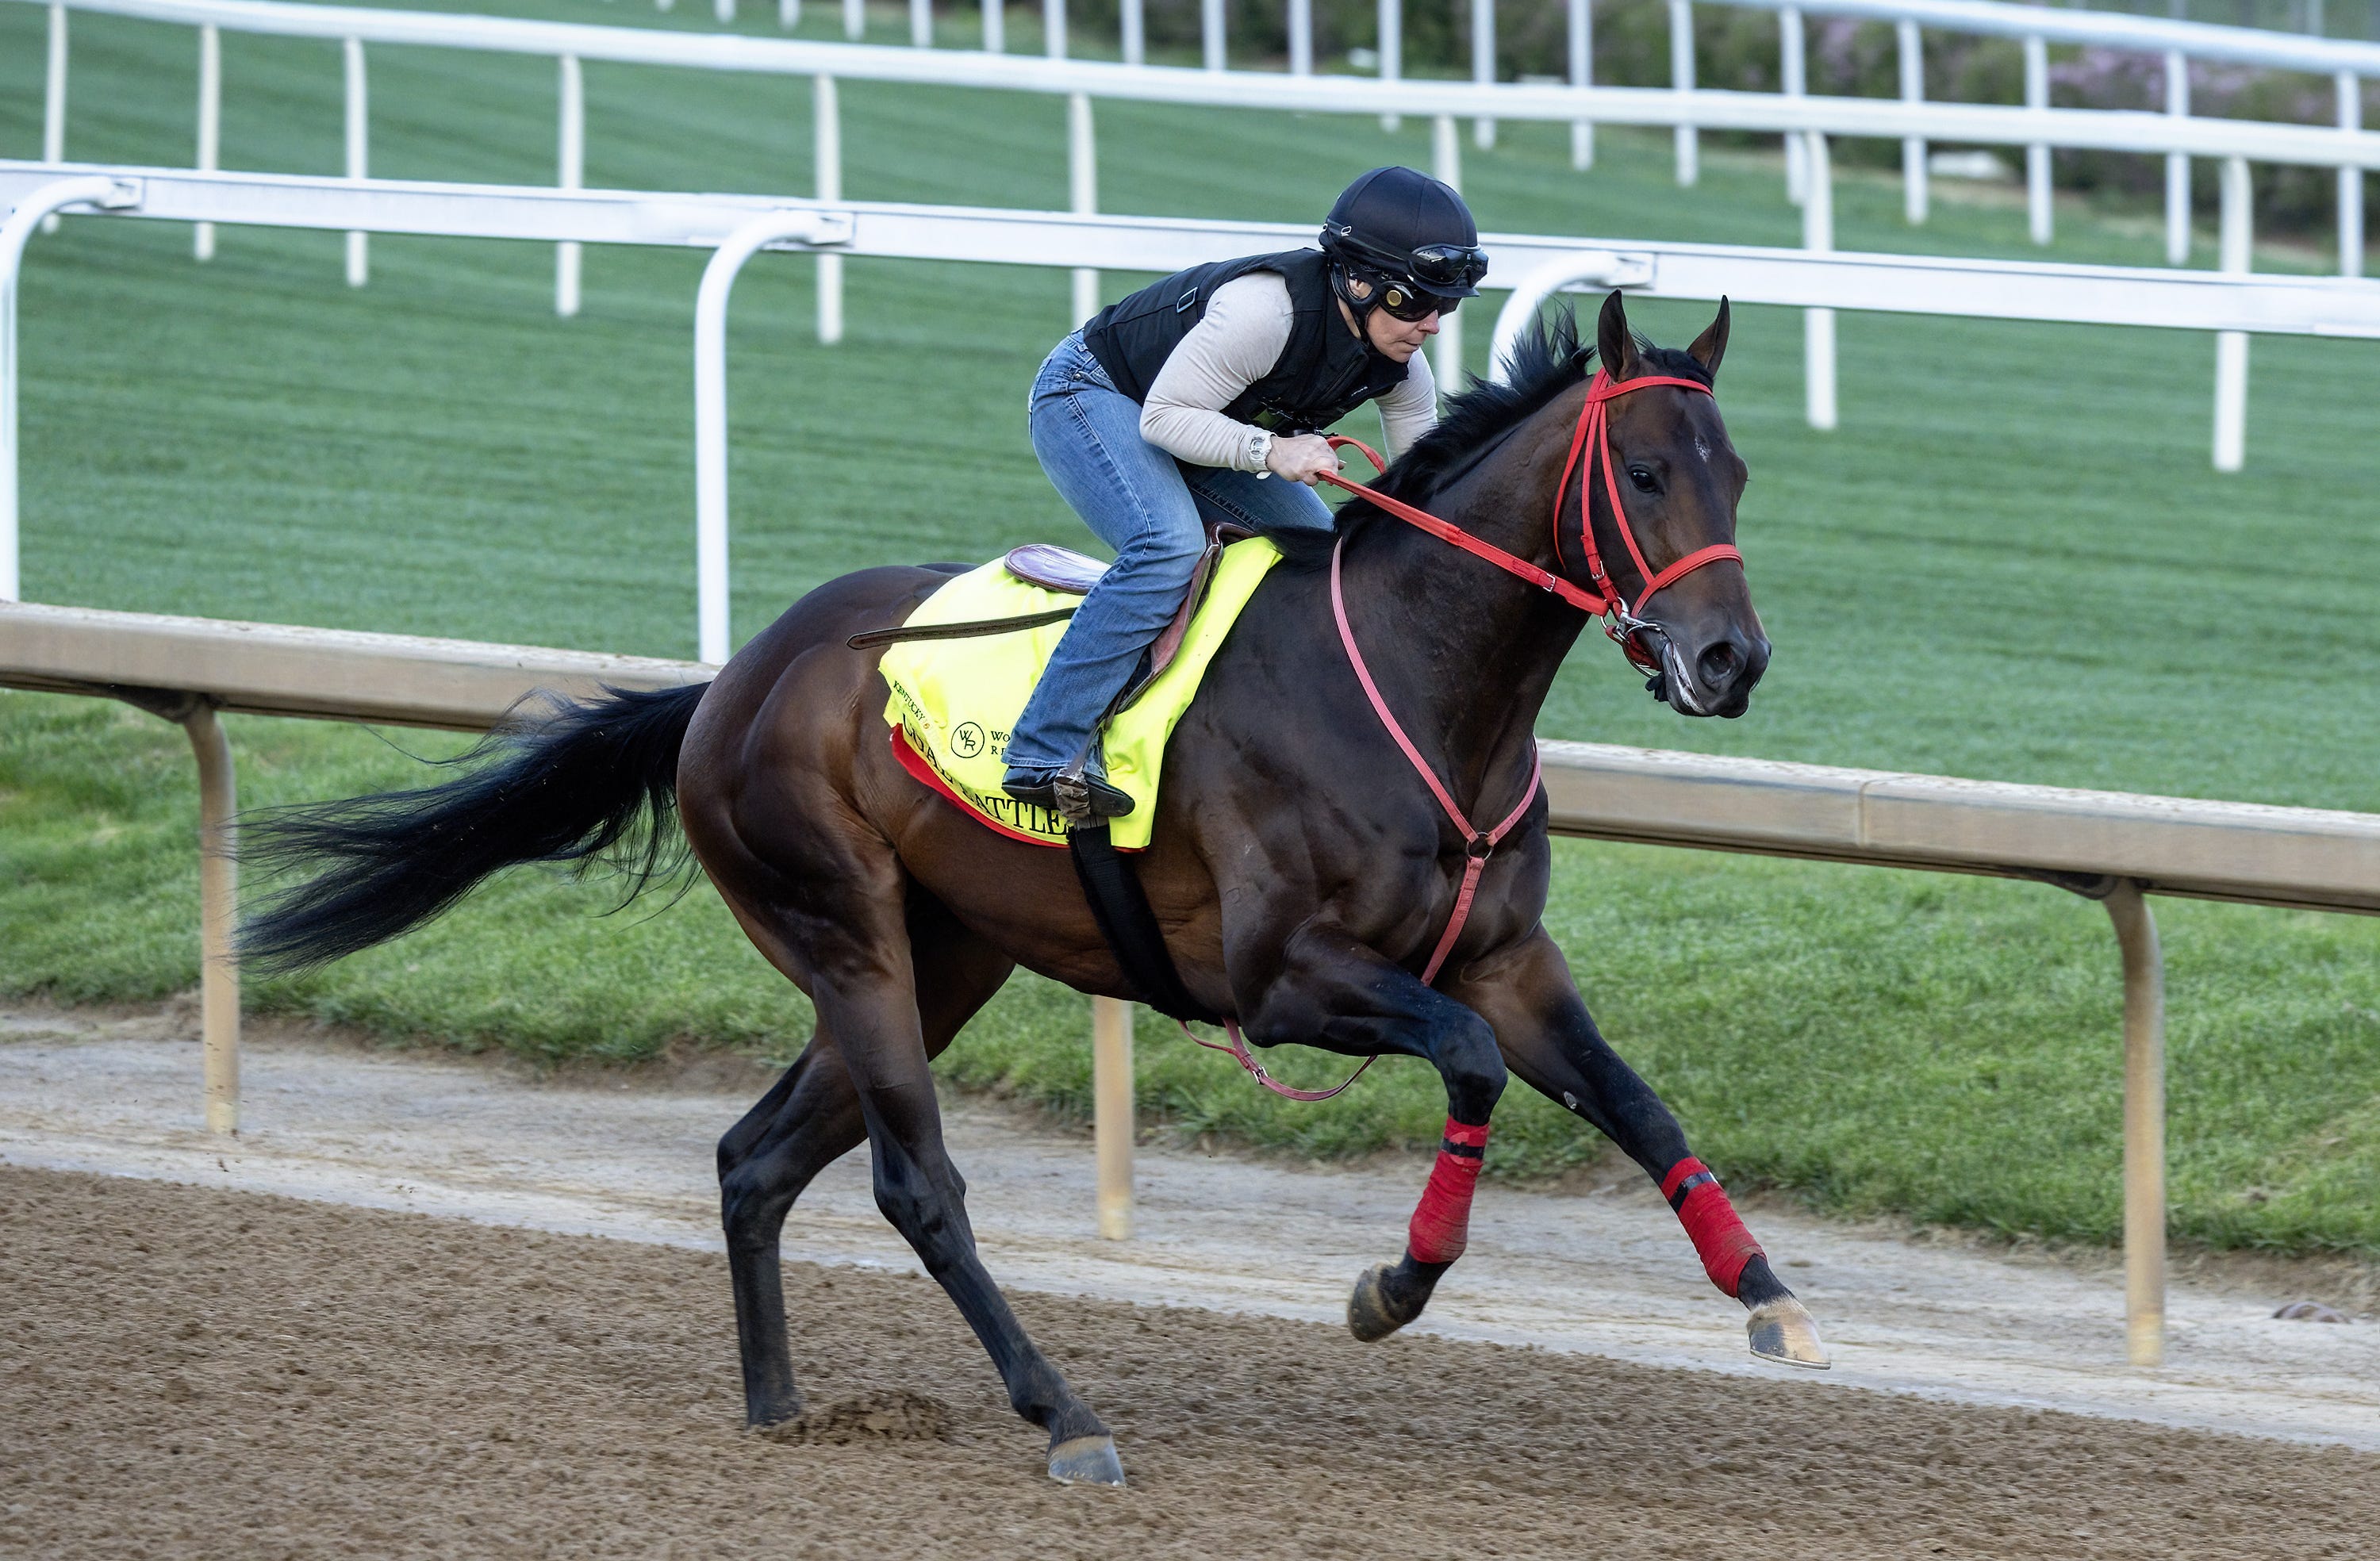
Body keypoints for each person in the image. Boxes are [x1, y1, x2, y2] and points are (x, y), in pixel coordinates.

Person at [1000, 165, 1490, 821]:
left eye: (1447, 306)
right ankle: (1044, 749)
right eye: (1416, 302)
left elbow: (1428, 487)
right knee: (1165, 547)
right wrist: (1273, 451)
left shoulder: (1401, 364)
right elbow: (1164, 420)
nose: (1432, 324)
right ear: (1358, 280)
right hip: (1096, 394)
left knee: (1321, 558)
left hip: (1199, 422)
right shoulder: (1267, 310)